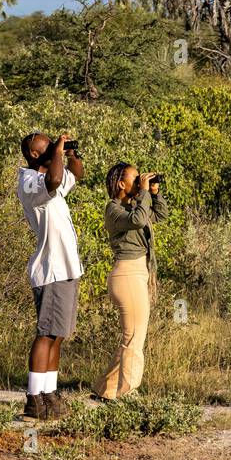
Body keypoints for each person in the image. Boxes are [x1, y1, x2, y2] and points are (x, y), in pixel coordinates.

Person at [15, 132, 85, 420]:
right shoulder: (31, 181)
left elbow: (75, 175)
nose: (52, 150)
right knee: (45, 334)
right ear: (33, 153)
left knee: (57, 335)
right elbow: (55, 180)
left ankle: (49, 393)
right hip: (50, 268)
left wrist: (71, 153)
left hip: (67, 267)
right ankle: (34, 398)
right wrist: (58, 155)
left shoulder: (50, 176)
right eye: (47, 146)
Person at [94, 164, 169, 400]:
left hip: (137, 274)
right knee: (134, 338)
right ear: (120, 184)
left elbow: (160, 215)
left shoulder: (134, 206)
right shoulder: (113, 210)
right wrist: (144, 192)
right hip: (127, 275)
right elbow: (137, 221)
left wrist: (154, 194)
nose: (139, 182)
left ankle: (105, 389)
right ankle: (128, 393)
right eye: (135, 178)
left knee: (131, 337)